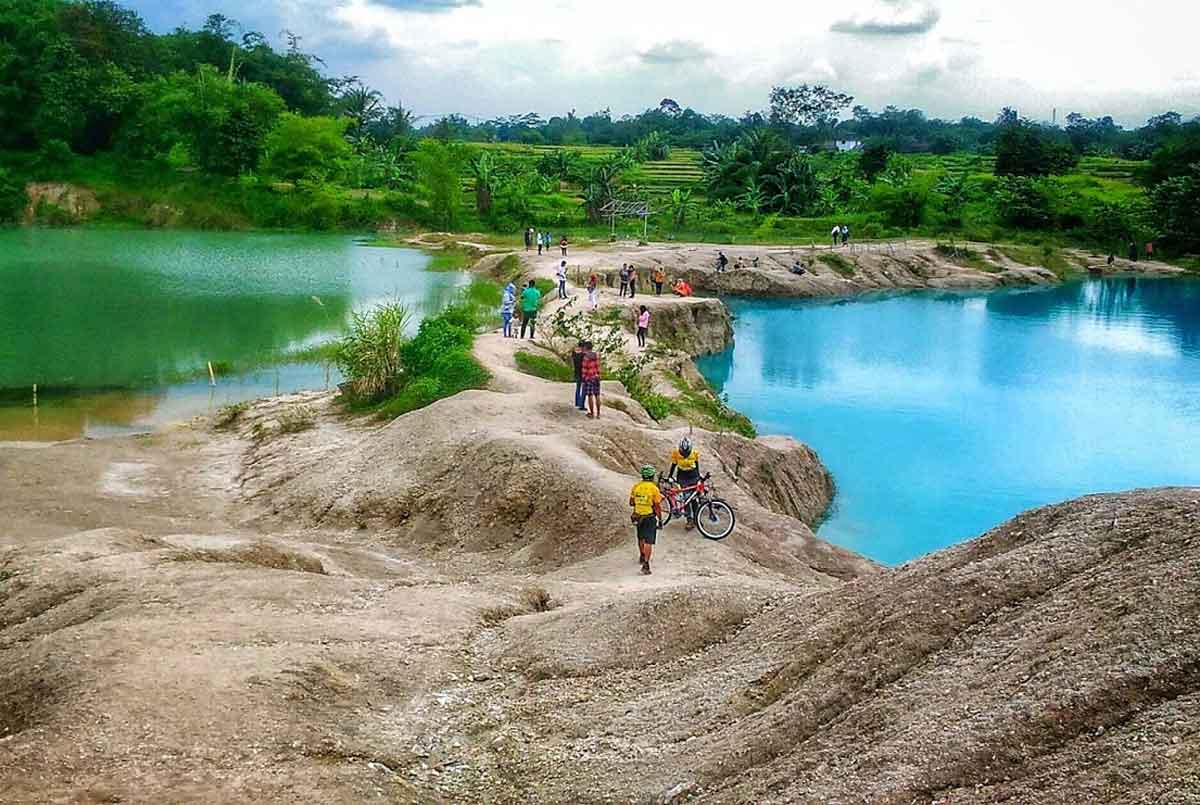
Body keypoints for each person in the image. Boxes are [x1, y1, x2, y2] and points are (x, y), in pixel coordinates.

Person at [629, 465, 663, 576]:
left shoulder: (636, 487)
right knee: (649, 541)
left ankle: (642, 555)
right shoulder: (654, 489)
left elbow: (631, 502)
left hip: (638, 516)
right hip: (649, 516)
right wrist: (660, 519)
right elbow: (657, 506)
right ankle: (646, 564)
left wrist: (640, 501)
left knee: (641, 537)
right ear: (652, 476)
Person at [667, 437, 702, 530]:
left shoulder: (695, 453)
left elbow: (697, 466)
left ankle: (696, 518)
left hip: (693, 475)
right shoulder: (676, 453)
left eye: (686, 453)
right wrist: (670, 476)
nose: (685, 455)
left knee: (694, 498)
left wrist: (698, 478)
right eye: (683, 453)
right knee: (686, 498)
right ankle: (689, 520)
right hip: (682, 477)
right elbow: (673, 465)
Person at [581, 340, 601, 419]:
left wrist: (583, 379)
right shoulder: (596, 355)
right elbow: (598, 366)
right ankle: (598, 414)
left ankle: (592, 413)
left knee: (590, 395)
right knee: (597, 395)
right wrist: (598, 375)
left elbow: (584, 369)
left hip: (589, 377)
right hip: (596, 377)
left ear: (586, 348)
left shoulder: (586, 357)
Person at [571, 340, 586, 411]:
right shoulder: (583, 355)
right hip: (582, 373)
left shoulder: (574, 353)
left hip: (576, 372)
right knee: (583, 388)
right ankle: (581, 404)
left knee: (578, 387)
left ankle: (577, 402)